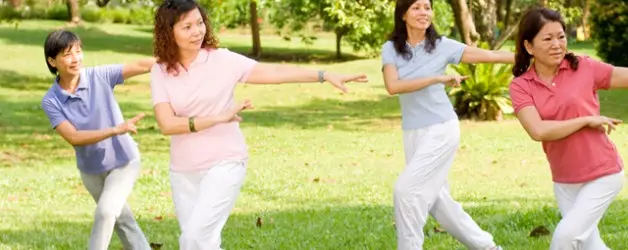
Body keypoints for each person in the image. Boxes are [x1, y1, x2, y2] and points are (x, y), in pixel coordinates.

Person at [149, 0, 368, 249]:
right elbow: (166, 124)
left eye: (199, 23)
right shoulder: (161, 70)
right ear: (169, 32)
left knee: (193, 239)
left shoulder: (222, 60)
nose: (197, 31)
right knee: (203, 243)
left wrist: (323, 75)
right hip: (183, 170)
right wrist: (216, 119)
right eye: (186, 26)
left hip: (225, 161)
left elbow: (274, 73)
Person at [380, 0, 515, 249]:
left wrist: (531, 56)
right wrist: (436, 78)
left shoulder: (442, 46)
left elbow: (489, 56)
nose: (424, 12)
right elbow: (393, 86)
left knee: (405, 190)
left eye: (427, 7)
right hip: (412, 132)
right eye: (417, 7)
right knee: (440, 203)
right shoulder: (391, 49)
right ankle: (487, 247)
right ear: (403, 14)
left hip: (441, 128)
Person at [509, 7, 626, 250]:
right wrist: (586, 120)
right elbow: (538, 130)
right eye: (548, 38)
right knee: (589, 245)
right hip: (564, 181)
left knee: (564, 239)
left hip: (603, 173)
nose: (557, 44)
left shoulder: (584, 67)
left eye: (561, 36)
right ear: (529, 46)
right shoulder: (521, 86)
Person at [41, 30, 156, 250]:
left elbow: (141, 65)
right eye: (67, 54)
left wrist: (172, 60)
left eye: (78, 51)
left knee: (105, 213)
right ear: (52, 61)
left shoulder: (99, 76)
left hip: (123, 161)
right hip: (91, 171)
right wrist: (115, 129)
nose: (75, 58)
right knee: (122, 220)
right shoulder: (51, 100)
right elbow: (74, 137)